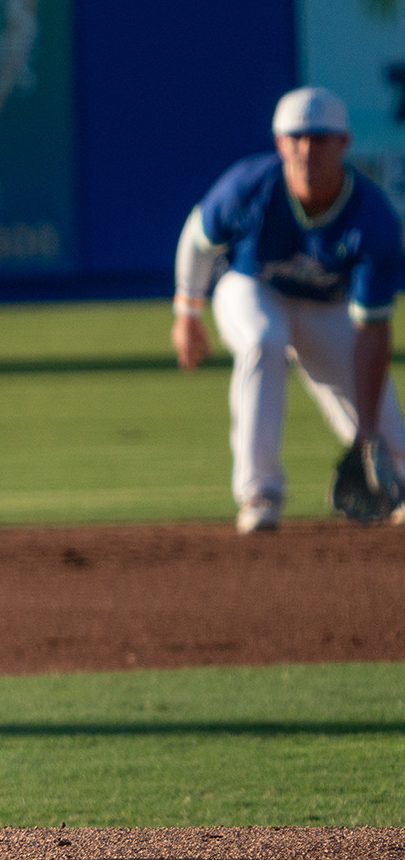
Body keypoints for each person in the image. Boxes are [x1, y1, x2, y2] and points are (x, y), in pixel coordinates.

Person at [171, 86, 405, 534]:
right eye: (295, 137)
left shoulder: (372, 218)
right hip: (251, 289)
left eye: (320, 138)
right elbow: (196, 239)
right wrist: (188, 311)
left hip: (326, 308)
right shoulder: (249, 186)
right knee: (263, 340)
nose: (306, 149)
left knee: (388, 431)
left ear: (344, 144)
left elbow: (372, 332)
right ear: (279, 143)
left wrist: (366, 431)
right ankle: (260, 497)